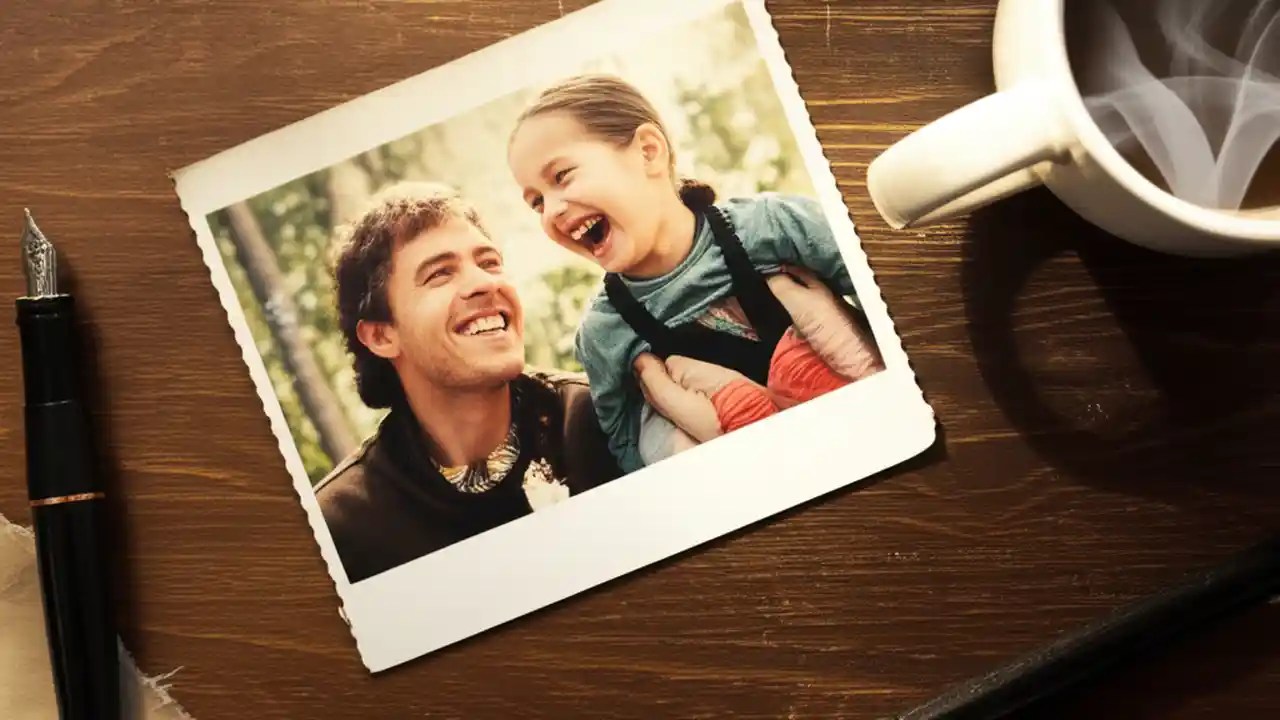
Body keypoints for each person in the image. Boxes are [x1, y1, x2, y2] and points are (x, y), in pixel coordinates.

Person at [506, 73, 883, 474]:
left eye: (562, 176)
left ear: (648, 152)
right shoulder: (605, 332)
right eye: (536, 202)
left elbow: (882, 292)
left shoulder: (773, 226)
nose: (552, 210)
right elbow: (626, 445)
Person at [315, 181, 622, 584]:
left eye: (490, 262)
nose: (484, 282)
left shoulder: (603, 417)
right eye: (440, 274)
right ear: (382, 335)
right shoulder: (340, 529)